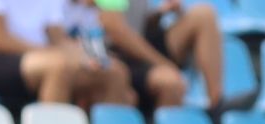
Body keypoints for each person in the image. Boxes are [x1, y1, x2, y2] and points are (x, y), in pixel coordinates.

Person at [101, 0, 251, 115]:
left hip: (144, 45)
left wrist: (160, 13)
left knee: (204, 14)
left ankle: (216, 105)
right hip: (120, 58)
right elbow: (116, 32)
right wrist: (161, 63)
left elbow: (138, 25)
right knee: (172, 82)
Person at [0, 0, 105, 112]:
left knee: (112, 72)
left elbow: (58, 38)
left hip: (38, 59)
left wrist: (84, 57)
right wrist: (57, 54)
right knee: (60, 66)